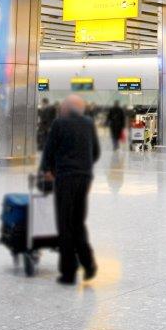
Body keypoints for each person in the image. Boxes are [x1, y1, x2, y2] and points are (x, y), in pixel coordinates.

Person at [39, 95, 100, 286]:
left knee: (65, 224)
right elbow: (96, 152)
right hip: (83, 178)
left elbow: (49, 150)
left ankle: (68, 272)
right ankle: (89, 265)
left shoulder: (59, 123)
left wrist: (46, 170)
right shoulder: (89, 123)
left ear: (65, 108)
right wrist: (85, 168)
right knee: (78, 222)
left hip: (65, 178)